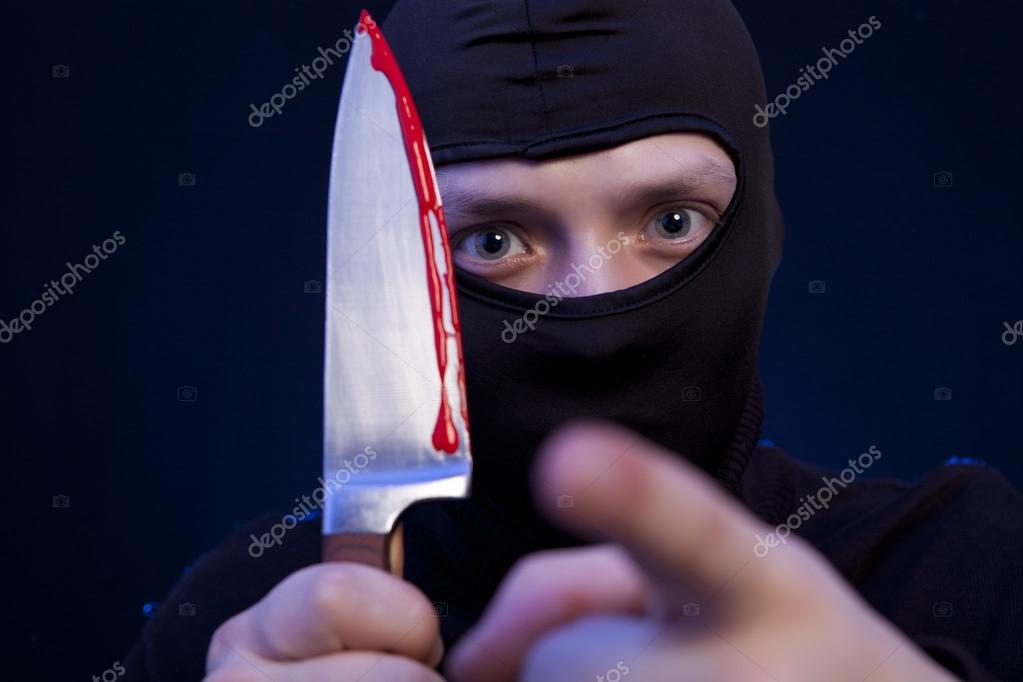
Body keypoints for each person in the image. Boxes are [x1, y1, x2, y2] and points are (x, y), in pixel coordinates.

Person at [123, 1, 1023, 680]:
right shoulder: (239, 632)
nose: (590, 312)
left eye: (672, 218)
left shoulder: (967, 566)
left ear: (763, 235)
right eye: (492, 241)